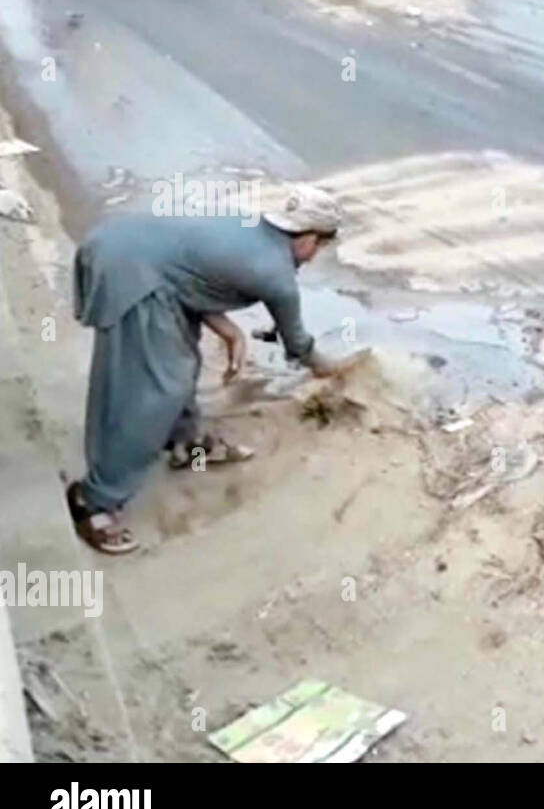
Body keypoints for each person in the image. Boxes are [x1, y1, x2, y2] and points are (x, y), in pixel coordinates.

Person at [66, 186, 347, 554]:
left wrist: (230, 332)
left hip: (133, 256)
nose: (314, 258)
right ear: (310, 238)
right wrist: (327, 368)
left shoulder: (248, 227)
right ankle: (95, 500)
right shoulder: (275, 273)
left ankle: (185, 445)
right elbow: (297, 344)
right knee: (155, 389)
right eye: (320, 248)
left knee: (182, 363)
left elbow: (192, 275)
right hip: (129, 273)